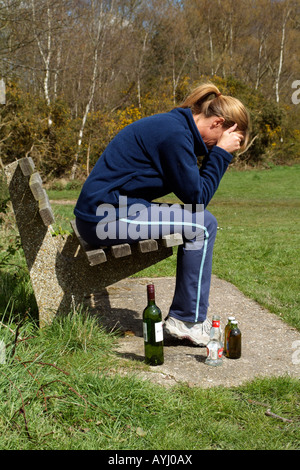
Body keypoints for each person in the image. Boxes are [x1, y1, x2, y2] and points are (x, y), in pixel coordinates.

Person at [74, 83, 250, 346]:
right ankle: (186, 320)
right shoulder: (175, 135)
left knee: (203, 223)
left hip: (107, 212)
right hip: (104, 218)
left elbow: (194, 194)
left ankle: (185, 317)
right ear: (218, 122)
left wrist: (217, 152)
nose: (214, 147)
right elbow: (197, 199)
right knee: (202, 225)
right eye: (220, 140)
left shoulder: (176, 129)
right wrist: (221, 154)